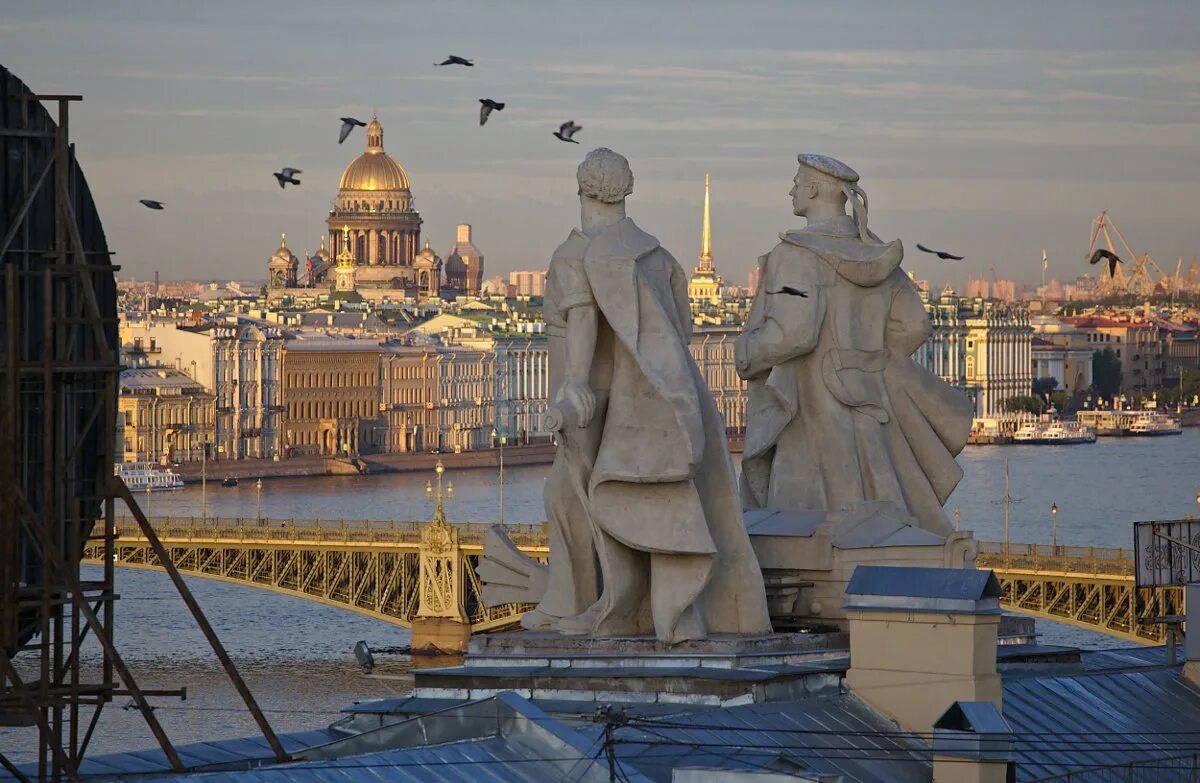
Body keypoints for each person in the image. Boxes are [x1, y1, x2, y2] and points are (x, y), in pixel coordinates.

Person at [532, 148, 771, 643]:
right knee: (602, 496)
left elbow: (582, 318)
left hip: (591, 402)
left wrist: (575, 383)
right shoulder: (655, 256)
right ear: (627, 191)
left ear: (581, 190)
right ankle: (599, 603)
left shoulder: (575, 254)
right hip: (644, 401)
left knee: (582, 496)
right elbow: (679, 329)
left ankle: (605, 607)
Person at [736, 154, 973, 536]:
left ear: (814, 190)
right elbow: (915, 325)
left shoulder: (794, 255)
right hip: (873, 410)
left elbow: (794, 334)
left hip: (809, 415)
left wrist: (745, 352)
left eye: (797, 183)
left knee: (798, 531)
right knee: (881, 523)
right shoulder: (877, 255)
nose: (791, 191)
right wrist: (865, 361)